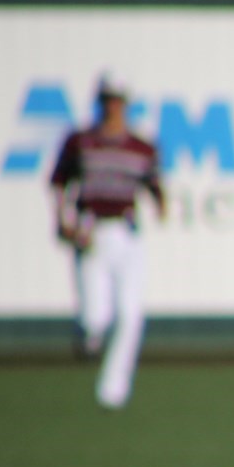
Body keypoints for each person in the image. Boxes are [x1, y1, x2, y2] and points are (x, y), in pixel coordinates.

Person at [50, 72, 163, 410]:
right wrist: (62, 220)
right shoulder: (81, 142)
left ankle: (113, 391)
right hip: (92, 229)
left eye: (118, 101)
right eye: (108, 100)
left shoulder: (141, 147)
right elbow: (59, 182)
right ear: (99, 103)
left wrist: (162, 204)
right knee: (96, 316)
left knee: (130, 315)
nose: (113, 107)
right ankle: (88, 333)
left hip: (127, 232)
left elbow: (153, 183)